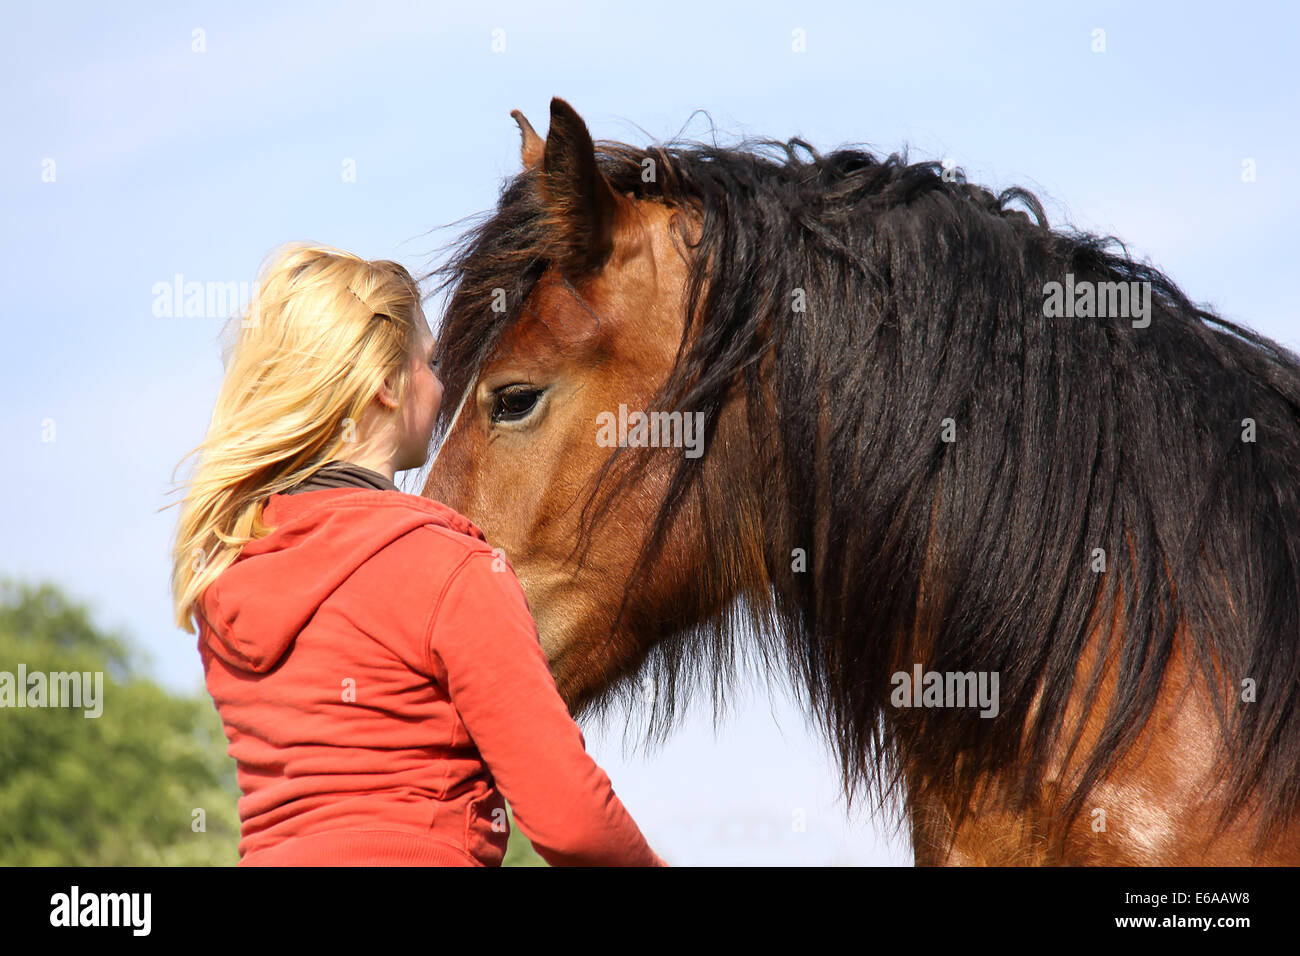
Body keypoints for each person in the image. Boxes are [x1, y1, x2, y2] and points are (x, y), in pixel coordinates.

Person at [168, 241, 668, 867]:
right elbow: (574, 824)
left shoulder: (224, 577)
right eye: (430, 363)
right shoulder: (448, 566)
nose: (441, 384)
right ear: (385, 384)